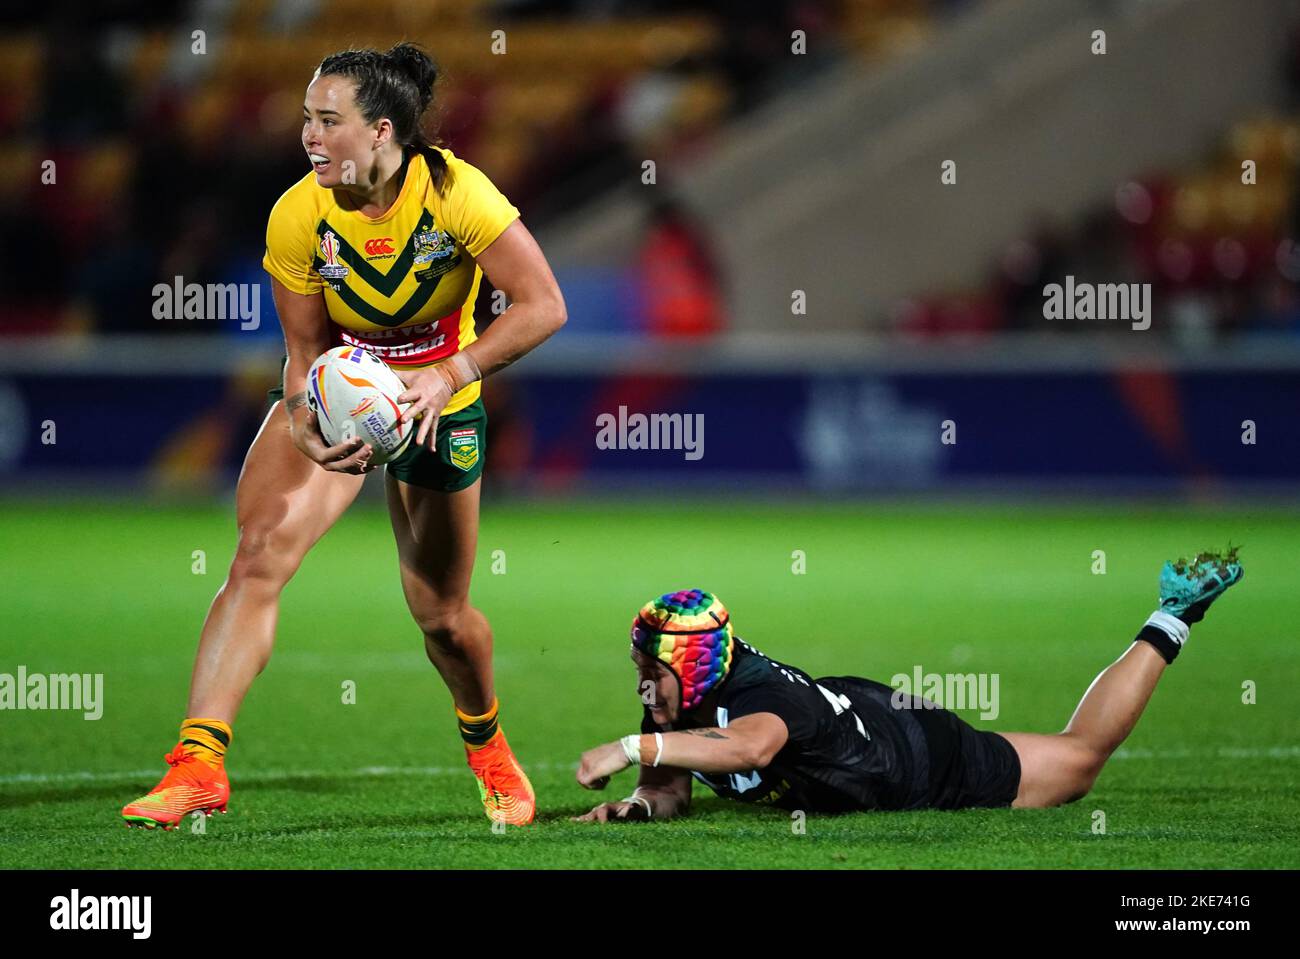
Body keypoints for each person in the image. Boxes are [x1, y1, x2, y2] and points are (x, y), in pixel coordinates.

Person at [121, 42, 566, 830]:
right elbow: (301, 351)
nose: (310, 138)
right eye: (306, 120)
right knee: (259, 552)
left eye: (329, 122)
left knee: (442, 616)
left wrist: (451, 373)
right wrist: (302, 420)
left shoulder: (459, 194)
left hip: (439, 401)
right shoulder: (298, 213)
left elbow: (541, 305)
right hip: (339, 392)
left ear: (383, 132)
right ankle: (197, 765)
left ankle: (488, 746)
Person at [574, 551, 1243, 821]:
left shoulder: (758, 698)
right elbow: (670, 786)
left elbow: (748, 748)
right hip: (856, 713)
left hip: (917, 758)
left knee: (1080, 762)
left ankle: (1173, 615)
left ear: (692, 664)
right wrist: (639, 804)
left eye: (651, 671)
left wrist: (627, 749)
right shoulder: (674, 694)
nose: (643, 685)